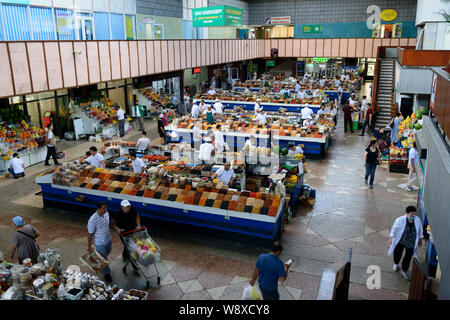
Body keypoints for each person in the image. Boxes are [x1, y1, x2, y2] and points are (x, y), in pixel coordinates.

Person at [388, 206, 424, 281]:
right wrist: (391, 237)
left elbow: (420, 230)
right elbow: (394, 228)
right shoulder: (400, 220)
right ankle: (396, 264)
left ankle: (404, 270)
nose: (413, 216)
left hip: (411, 242)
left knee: (408, 256)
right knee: (397, 253)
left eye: (414, 214)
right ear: (407, 214)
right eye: (411, 214)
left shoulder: (418, 220)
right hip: (401, 240)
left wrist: (420, 239)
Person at [111, 200, 142, 269]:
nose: (127, 208)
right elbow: (112, 223)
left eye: (128, 207)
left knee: (128, 244)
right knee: (129, 247)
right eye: (125, 207)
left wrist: (138, 225)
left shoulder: (132, 210)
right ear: (121, 207)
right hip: (123, 232)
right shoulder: (118, 214)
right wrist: (117, 229)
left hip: (131, 230)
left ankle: (124, 255)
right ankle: (134, 264)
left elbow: (137, 217)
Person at [87, 202, 113, 283]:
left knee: (107, 252)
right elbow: (90, 234)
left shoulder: (106, 214)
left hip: (108, 239)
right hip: (99, 242)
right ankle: (107, 274)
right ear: (98, 209)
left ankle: (103, 266)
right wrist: (89, 246)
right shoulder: (93, 219)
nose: (106, 210)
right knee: (103, 259)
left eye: (106, 208)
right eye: (103, 208)